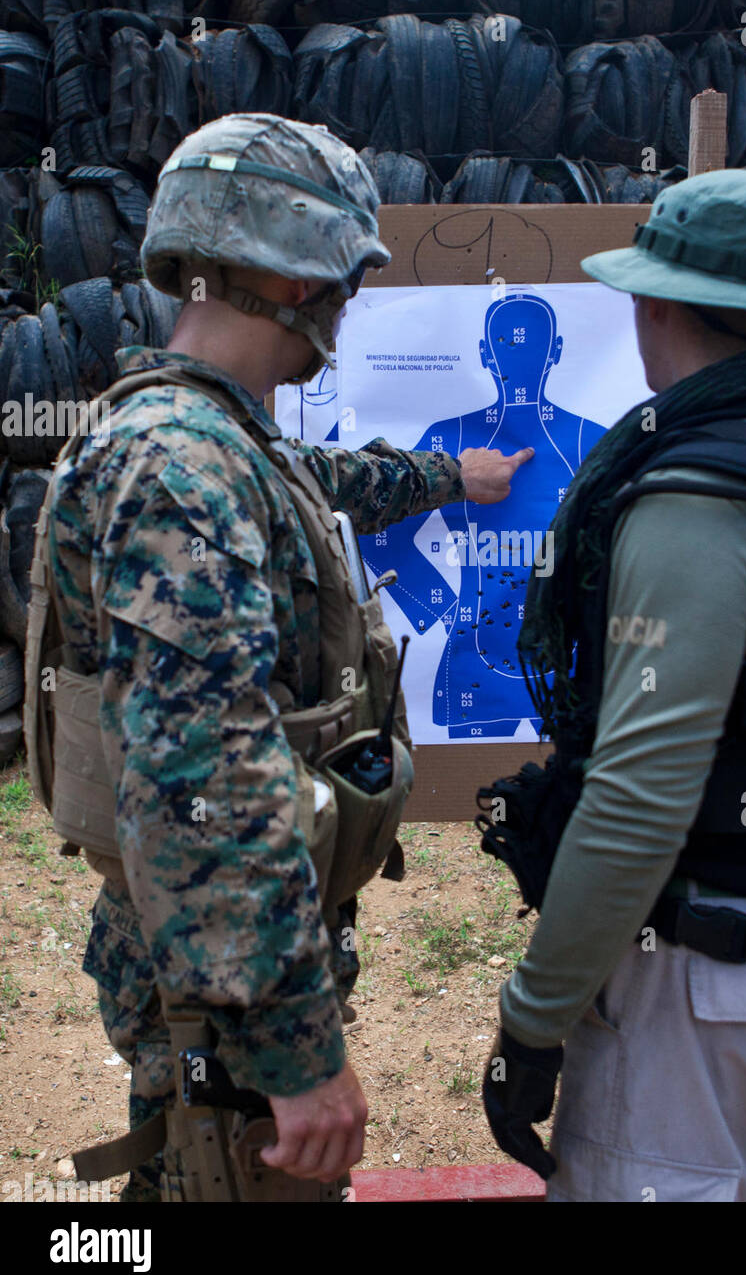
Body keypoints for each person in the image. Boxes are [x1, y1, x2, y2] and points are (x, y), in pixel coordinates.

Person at [28, 113, 532, 1202]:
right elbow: (204, 785)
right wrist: (298, 1056)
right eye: (344, 285)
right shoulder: (181, 473)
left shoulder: (208, 441)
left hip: (209, 960)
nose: (345, 316)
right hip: (220, 981)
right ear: (300, 282)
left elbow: (317, 479)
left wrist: (453, 476)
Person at [482, 168, 746, 1203]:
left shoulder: (699, 497)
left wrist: (532, 1020)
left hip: (710, 1010)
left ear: (656, 303)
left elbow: (637, 799)